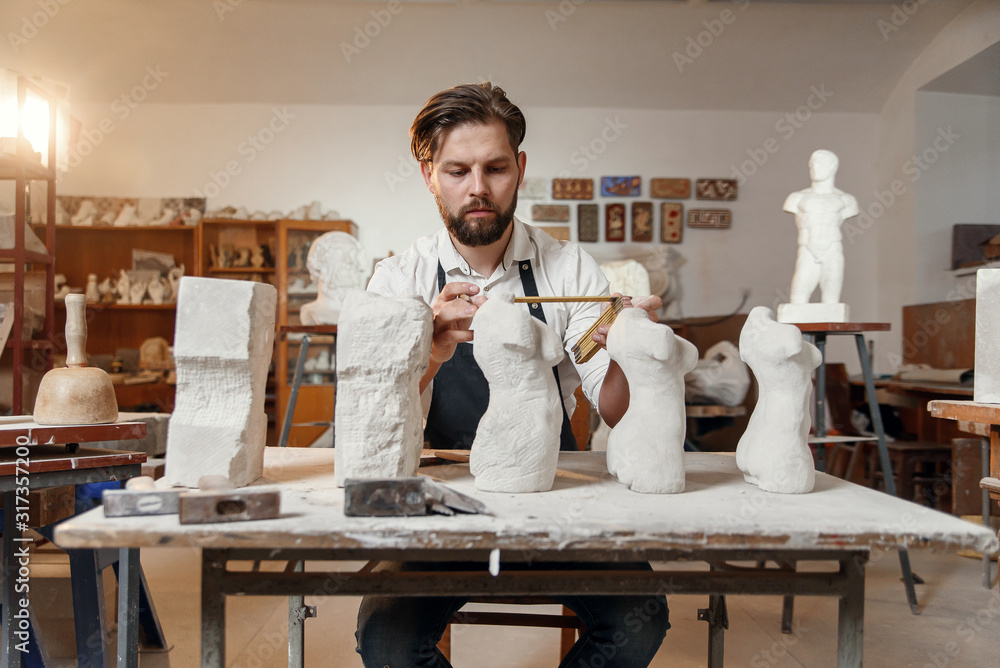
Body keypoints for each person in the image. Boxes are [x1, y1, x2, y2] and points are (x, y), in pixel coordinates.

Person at [358, 82, 669, 667]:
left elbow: (615, 407)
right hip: (441, 499)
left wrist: (635, 354)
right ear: (429, 175)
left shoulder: (568, 268)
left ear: (520, 169)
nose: (478, 187)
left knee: (639, 618)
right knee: (387, 638)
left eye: (495, 168)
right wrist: (428, 352)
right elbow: (370, 417)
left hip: (554, 492)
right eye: (457, 171)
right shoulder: (398, 279)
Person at [784, 149, 859, 305]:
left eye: (820, 163)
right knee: (797, 298)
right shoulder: (797, 198)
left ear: (833, 167)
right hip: (807, 249)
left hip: (832, 249)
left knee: (831, 302)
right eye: (812, 164)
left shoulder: (846, 200)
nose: (814, 167)